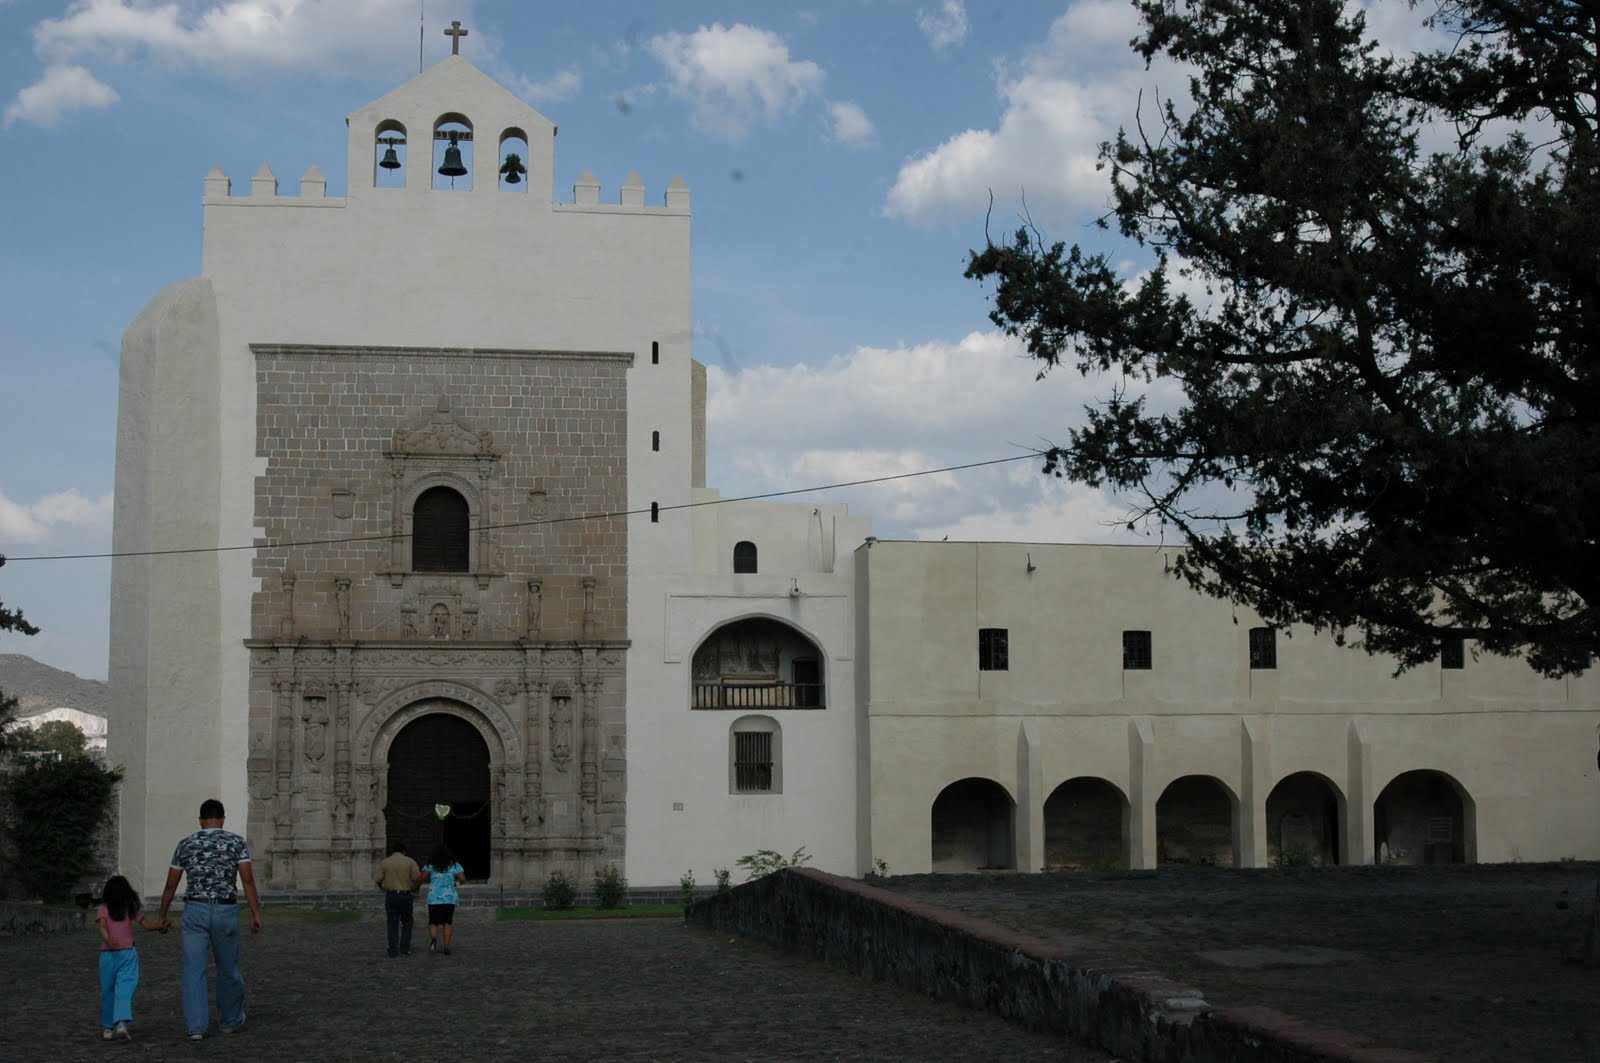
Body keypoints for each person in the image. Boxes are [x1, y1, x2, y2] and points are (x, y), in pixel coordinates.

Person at [156, 798, 263, 1042]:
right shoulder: (236, 843)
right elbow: (247, 880)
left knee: (193, 970)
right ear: (223, 819)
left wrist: (162, 915)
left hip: (195, 908)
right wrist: (256, 912)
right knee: (227, 968)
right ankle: (229, 1020)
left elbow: (171, 883)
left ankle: (196, 1026)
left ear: (201, 820)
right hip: (225, 909)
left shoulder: (186, 844)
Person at [94, 874, 166, 1042]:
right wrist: (159, 926)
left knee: (108, 990)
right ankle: (121, 1023)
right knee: (124, 989)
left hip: (107, 955)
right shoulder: (130, 908)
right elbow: (147, 925)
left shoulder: (102, 909)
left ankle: (107, 1027)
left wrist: (107, 939)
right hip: (127, 953)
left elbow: (102, 927)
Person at [374, 839, 422, 957]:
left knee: (392, 923)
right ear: (404, 851)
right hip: (405, 895)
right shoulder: (410, 861)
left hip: (391, 895)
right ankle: (404, 948)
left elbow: (378, 879)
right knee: (407, 922)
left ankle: (393, 950)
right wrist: (415, 891)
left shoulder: (385, 862)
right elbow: (418, 878)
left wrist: (382, 887)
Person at [421, 844, 466, 954]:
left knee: (433, 921)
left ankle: (433, 940)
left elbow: (423, 877)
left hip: (434, 897)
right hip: (449, 898)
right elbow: (462, 878)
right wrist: (456, 883)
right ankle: (446, 947)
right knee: (447, 922)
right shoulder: (454, 865)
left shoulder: (431, 865)